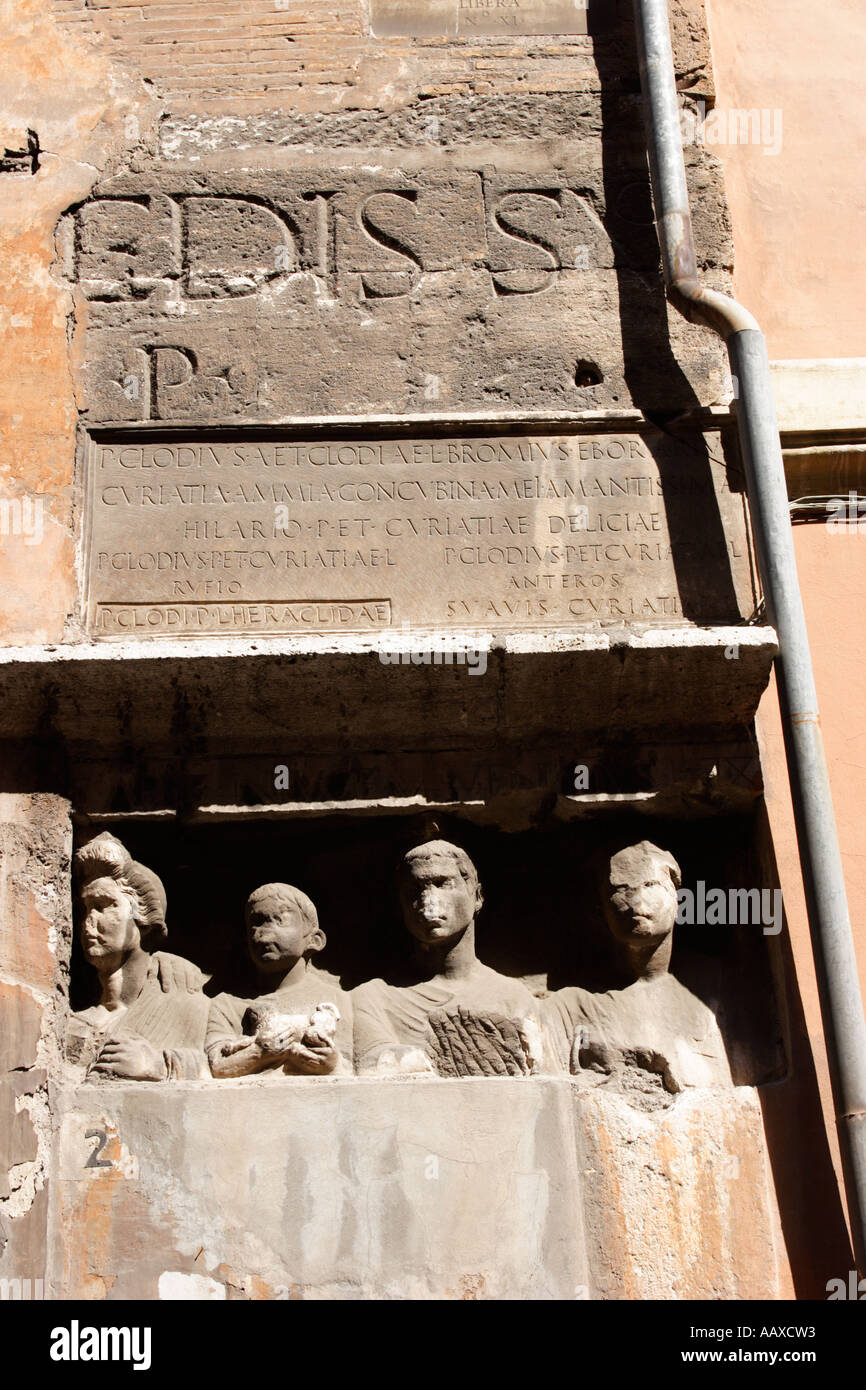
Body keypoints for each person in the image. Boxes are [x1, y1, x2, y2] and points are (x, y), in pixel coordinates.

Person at [545, 840, 732, 1095]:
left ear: (676, 896)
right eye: (620, 889)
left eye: (649, 884)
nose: (635, 901)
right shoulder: (574, 1006)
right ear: (600, 909)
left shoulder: (723, 986)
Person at [353, 840, 548, 1076]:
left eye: (442, 884)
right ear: (400, 905)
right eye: (415, 890)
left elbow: (545, 1084)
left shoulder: (512, 997)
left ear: (477, 897)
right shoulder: (374, 998)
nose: (428, 901)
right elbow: (369, 1066)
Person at [71, 832, 209, 1081]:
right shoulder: (73, 1024)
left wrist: (160, 1066)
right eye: (86, 909)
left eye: (103, 905)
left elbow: (221, 1062)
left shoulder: (186, 999)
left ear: (142, 917)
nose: (89, 922)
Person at [206, 882, 351, 1078]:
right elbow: (216, 1066)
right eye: (256, 922)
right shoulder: (227, 1004)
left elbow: (355, 1071)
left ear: (314, 939)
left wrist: (333, 1065)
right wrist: (259, 1053)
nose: (263, 935)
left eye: (280, 920)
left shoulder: (338, 1000)